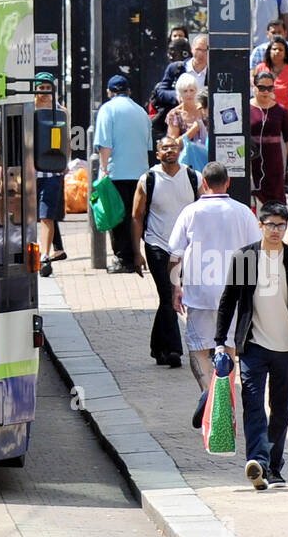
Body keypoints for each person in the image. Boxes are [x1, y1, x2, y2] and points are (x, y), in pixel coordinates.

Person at [216, 200, 288, 489]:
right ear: (260, 225)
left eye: (281, 225)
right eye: (270, 224)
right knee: (253, 404)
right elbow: (229, 300)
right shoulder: (246, 258)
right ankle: (258, 461)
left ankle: (274, 466)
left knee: (281, 409)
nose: (275, 230)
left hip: (287, 347)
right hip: (253, 346)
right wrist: (220, 342)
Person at [169, 161, 260, 424]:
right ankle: (224, 401)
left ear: (204, 184)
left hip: (198, 292)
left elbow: (174, 255)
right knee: (228, 347)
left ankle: (207, 393)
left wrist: (176, 287)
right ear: (228, 182)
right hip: (233, 294)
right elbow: (255, 253)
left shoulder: (190, 212)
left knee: (199, 349)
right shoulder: (243, 212)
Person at [132, 136, 200, 367]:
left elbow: (203, 210)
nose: (169, 150)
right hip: (156, 245)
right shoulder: (148, 179)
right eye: (164, 148)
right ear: (158, 153)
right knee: (168, 294)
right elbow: (137, 216)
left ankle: (157, 347)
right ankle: (173, 350)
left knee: (166, 299)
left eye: (173, 147)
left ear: (180, 150)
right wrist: (136, 252)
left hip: (185, 248)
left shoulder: (193, 177)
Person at [93, 73, 152, 273]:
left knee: (117, 218)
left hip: (116, 172)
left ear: (109, 92)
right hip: (140, 173)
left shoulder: (107, 110)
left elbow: (105, 144)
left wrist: (103, 170)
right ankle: (139, 255)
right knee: (137, 217)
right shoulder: (141, 112)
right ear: (128, 92)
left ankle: (123, 259)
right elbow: (148, 145)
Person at [250, 69, 288, 208]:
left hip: (274, 164)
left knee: (276, 205)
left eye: (269, 87)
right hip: (251, 163)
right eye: (261, 87)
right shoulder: (246, 108)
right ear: (254, 87)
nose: (265, 91)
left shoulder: (281, 110)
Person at [35, 73, 67, 276]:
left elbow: (66, 141)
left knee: (47, 215)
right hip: (30, 173)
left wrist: (64, 165)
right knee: (29, 217)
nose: (45, 93)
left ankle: (45, 256)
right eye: (41, 89)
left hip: (52, 172)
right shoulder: (29, 110)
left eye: (49, 89)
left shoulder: (61, 112)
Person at [250, 18, 288, 94]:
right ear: (267, 34)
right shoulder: (258, 52)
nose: (276, 35)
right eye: (273, 32)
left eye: (279, 32)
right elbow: (252, 76)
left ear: (285, 33)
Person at [254, 35, 288, 116]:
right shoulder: (260, 68)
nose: (277, 52)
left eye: (280, 49)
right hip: (263, 115)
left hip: (285, 116)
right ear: (269, 51)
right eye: (274, 49)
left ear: (285, 53)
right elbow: (254, 92)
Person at [166, 72, 207, 147]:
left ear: (196, 91)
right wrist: (194, 129)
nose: (189, 94)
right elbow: (173, 144)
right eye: (185, 91)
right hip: (185, 156)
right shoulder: (174, 114)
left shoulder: (203, 109)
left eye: (191, 90)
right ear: (179, 94)